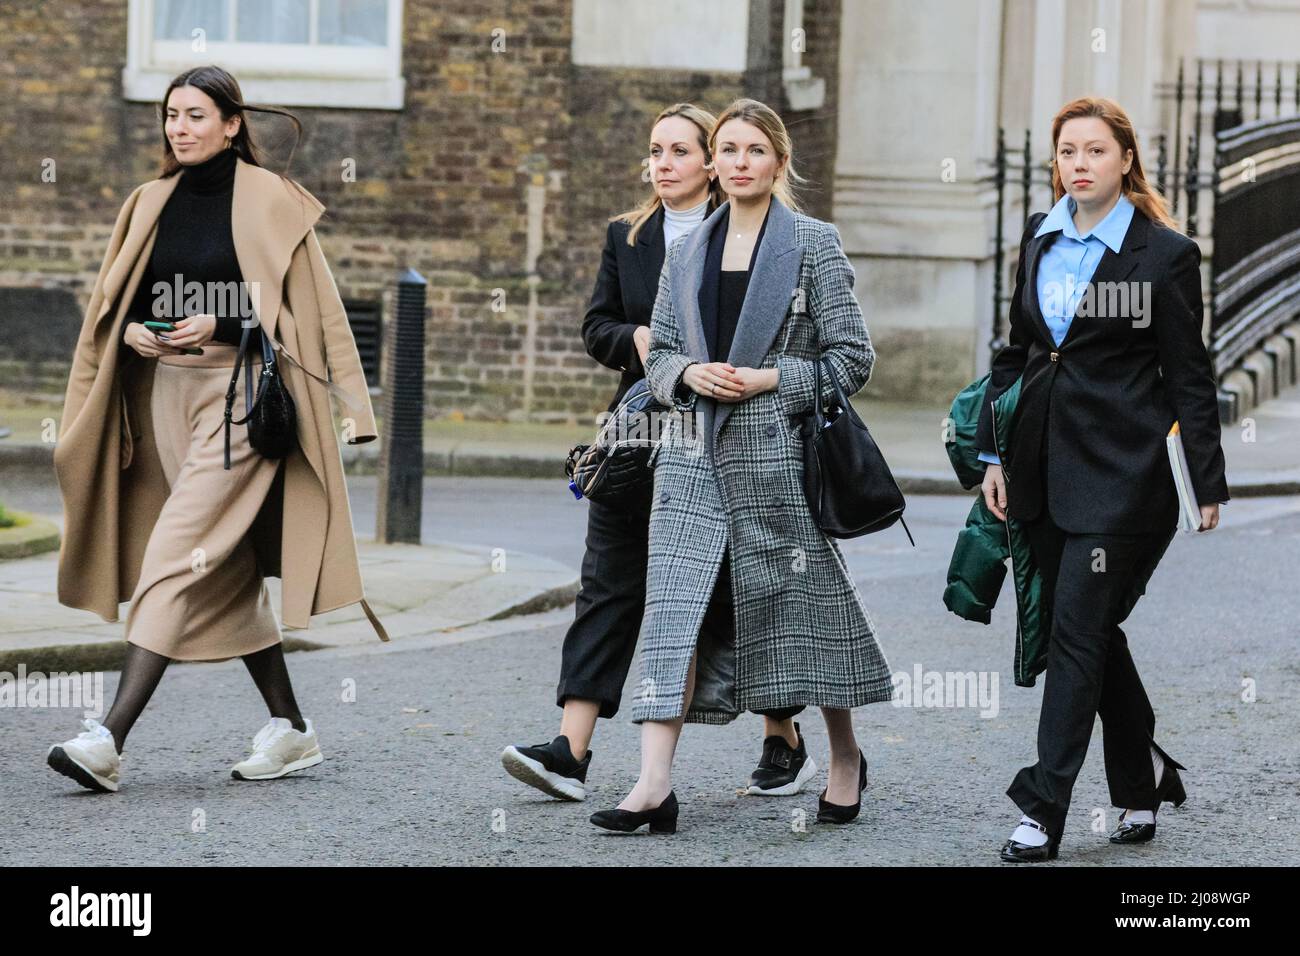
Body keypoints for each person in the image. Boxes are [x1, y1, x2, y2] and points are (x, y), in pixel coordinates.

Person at [47, 65, 385, 794]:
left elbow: (316, 311)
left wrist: (353, 408)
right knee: (219, 569)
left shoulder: (272, 201)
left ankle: (108, 738)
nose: (180, 127)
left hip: (242, 399)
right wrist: (136, 332)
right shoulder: (148, 202)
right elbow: (116, 306)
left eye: (196, 115)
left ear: (232, 124)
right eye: (172, 115)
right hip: (164, 397)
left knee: (174, 554)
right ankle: (292, 729)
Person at [589, 98, 894, 835]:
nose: (738, 162)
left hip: (775, 457)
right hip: (690, 456)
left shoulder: (813, 243)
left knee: (808, 611)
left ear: (778, 162)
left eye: (754, 150)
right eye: (727, 149)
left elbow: (853, 357)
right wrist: (688, 375)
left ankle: (845, 756)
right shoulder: (687, 249)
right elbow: (658, 352)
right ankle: (653, 784)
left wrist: (771, 380)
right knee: (671, 617)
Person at [501, 104, 816, 802]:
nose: (663, 163)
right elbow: (596, 326)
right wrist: (642, 343)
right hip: (642, 429)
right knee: (609, 581)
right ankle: (570, 749)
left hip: (723, 435)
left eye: (679, 150)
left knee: (733, 592)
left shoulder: (739, 232)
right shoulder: (630, 236)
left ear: (711, 163)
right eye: (655, 150)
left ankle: (783, 737)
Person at [977, 97, 1230, 861]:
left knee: (1078, 629)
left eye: (1094, 151)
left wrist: (1208, 481)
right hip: (1041, 465)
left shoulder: (1165, 254)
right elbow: (1016, 353)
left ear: (1125, 160)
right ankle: (1141, 777)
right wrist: (995, 455)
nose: (1078, 164)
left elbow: (1190, 373)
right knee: (1085, 631)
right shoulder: (1040, 234)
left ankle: (1043, 809)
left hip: (1126, 476)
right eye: (1066, 152)